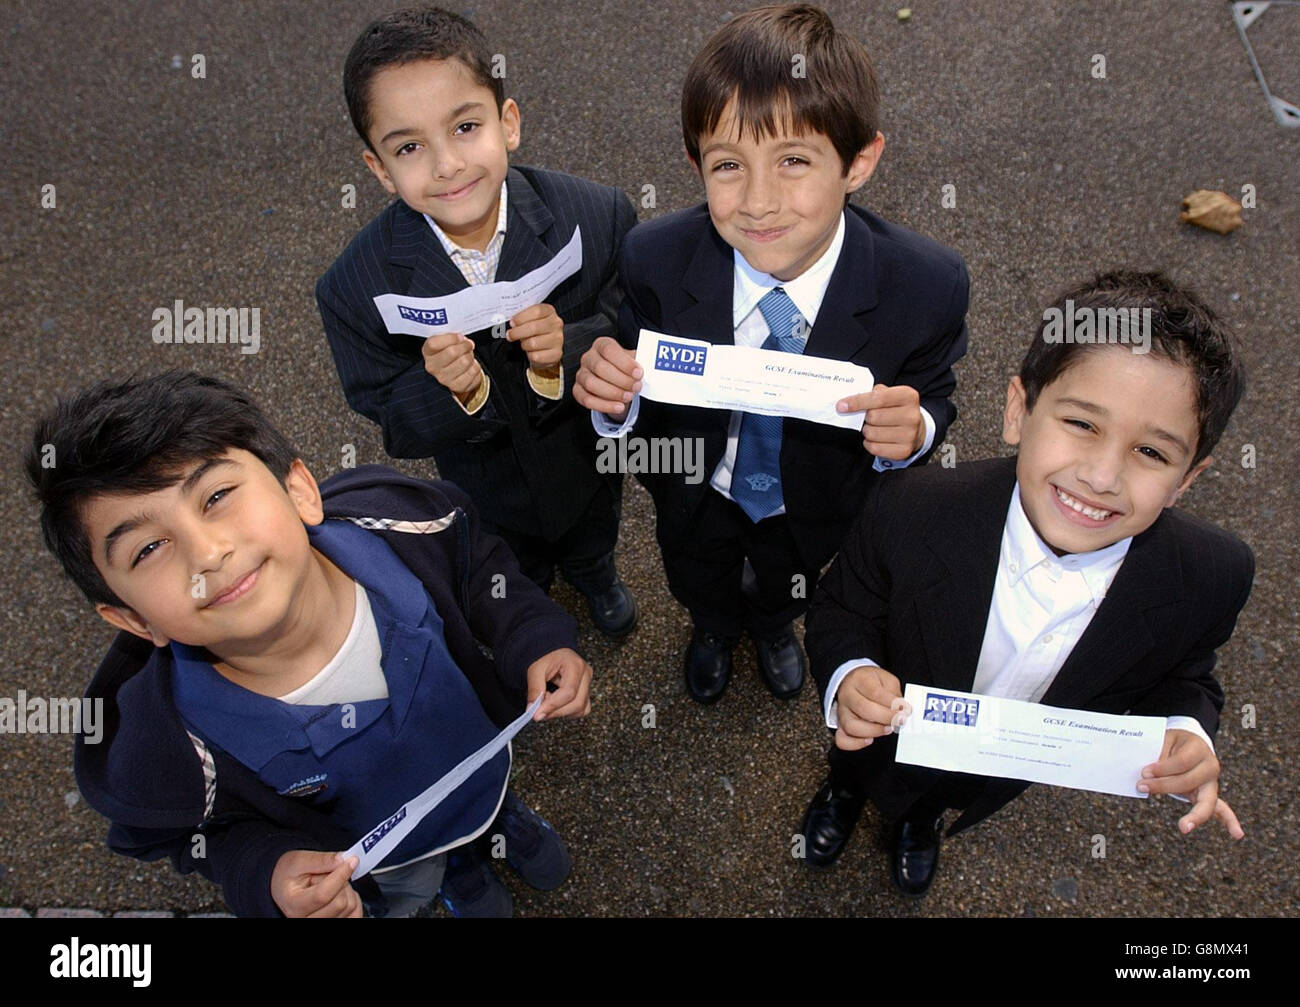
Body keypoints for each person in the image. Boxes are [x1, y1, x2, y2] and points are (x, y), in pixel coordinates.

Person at [28, 371, 593, 917]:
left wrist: (532, 637)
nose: (207, 553)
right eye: (148, 549)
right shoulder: (170, 754)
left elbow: (479, 573)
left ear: (298, 490)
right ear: (132, 619)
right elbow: (194, 838)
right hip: (382, 853)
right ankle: (459, 874)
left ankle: (500, 824)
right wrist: (265, 867)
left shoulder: (408, 527)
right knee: (415, 874)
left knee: (486, 799)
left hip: (479, 760)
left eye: (216, 495)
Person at [800, 270, 1252, 897]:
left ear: (1188, 479)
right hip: (880, 732)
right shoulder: (910, 505)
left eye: (1151, 453)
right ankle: (842, 795)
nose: (1100, 476)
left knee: (941, 795)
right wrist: (850, 674)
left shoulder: (1214, 575)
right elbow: (843, 609)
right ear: (1019, 410)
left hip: (999, 768)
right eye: (1082, 424)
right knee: (857, 762)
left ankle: (920, 823)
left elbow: (1187, 674)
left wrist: (1186, 730)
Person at [574, 4, 969, 702]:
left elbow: (933, 391)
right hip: (700, 488)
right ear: (694, 163)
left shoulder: (926, 286)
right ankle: (714, 626)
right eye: (728, 165)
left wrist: (916, 432)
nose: (758, 201)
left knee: (792, 577)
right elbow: (633, 355)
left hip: (816, 501)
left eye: (793, 160)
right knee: (698, 570)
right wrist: (612, 397)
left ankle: (777, 625)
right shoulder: (654, 258)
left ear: (860, 161)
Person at [318, 6, 637, 637]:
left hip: (582, 459)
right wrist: (455, 387)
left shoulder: (596, 214)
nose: (447, 165)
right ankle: (530, 596)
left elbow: (631, 325)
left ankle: (597, 573)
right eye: (409, 146)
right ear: (379, 169)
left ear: (508, 122)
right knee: (512, 563)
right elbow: (389, 417)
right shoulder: (354, 286)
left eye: (465, 126)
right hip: (483, 482)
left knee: (592, 529)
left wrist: (566, 349)